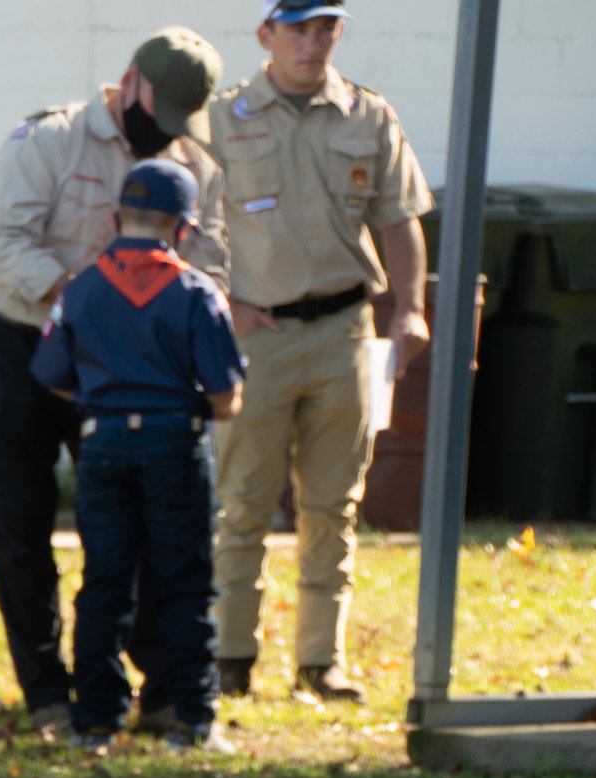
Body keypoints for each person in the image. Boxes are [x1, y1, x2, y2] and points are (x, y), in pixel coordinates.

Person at [0, 26, 229, 735]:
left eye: (181, 121)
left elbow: (210, 264)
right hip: (23, 345)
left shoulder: (191, 163)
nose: (165, 133)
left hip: (127, 373)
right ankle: (47, 692)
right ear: (130, 80)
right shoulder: (48, 141)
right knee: (20, 525)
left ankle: (156, 690)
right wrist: (88, 302)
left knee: (142, 529)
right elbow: (0, 244)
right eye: (160, 113)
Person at [203, 0, 432, 701]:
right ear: (264, 35)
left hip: (342, 330)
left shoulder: (367, 116)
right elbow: (190, 223)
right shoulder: (219, 118)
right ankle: (230, 657)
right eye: (297, 28)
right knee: (242, 500)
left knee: (333, 503)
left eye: (325, 28)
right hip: (256, 334)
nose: (312, 43)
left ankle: (319, 662)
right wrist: (223, 301)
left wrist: (412, 306)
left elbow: (399, 218)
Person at [30, 158, 247, 754]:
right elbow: (227, 395)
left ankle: (96, 721)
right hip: (174, 442)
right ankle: (193, 721)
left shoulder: (79, 289)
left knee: (104, 582)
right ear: (184, 228)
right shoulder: (197, 292)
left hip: (102, 445)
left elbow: (51, 374)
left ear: (114, 217)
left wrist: (102, 396)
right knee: (184, 581)